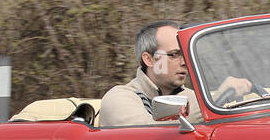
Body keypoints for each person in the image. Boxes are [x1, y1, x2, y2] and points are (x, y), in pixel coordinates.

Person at [100, 21, 254, 127]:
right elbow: (147, 134)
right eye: (174, 55)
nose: (185, 62)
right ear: (149, 59)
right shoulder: (119, 98)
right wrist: (214, 102)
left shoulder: (191, 97)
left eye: (186, 54)